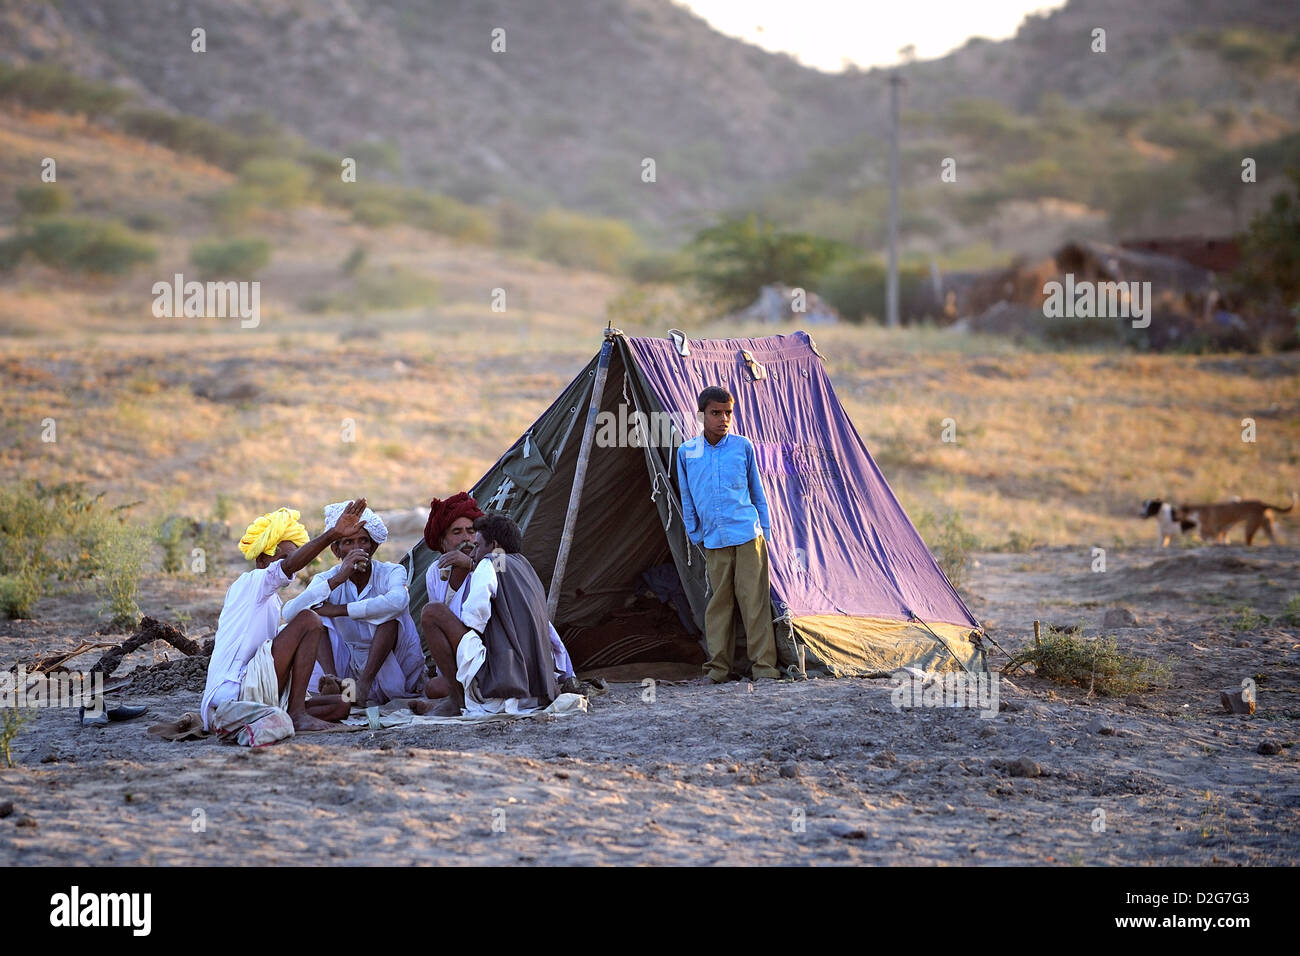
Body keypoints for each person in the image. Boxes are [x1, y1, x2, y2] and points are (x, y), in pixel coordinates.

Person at [200, 504, 360, 733]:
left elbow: (296, 611)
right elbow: (291, 578)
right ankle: (296, 715)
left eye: (294, 556)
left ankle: (290, 712)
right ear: (262, 561)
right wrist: (333, 534)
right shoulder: (251, 582)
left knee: (341, 705)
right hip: (233, 691)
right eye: (284, 557)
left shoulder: (271, 600)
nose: (292, 569)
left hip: (258, 688)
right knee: (310, 620)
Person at [421, 493, 576, 701]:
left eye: (471, 532)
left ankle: (459, 700)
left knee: (432, 613)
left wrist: (470, 565)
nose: (467, 539)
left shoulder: (496, 562)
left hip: (499, 655)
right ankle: (460, 690)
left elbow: (477, 614)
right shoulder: (435, 572)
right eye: (457, 532)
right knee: (434, 687)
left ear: (490, 543)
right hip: (468, 654)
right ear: (443, 541)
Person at [676, 385, 780, 683]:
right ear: (701, 416)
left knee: (754, 602)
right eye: (715, 413)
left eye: (728, 413)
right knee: (718, 604)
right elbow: (687, 496)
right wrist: (696, 534)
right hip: (713, 539)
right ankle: (718, 668)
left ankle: (764, 669)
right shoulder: (687, 452)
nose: (723, 419)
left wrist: (766, 531)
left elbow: (757, 491)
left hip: (748, 535)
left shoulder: (742, 446)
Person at [283, 500, 425, 707]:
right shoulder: (328, 579)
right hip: (348, 667)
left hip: (394, 662)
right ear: (336, 551)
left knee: (390, 616)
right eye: (348, 543)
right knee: (314, 616)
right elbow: (289, 613)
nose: (357, 549)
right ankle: (332, 681)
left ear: (373, 547)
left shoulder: (391, 572)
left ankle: (365, 686)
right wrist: (338, 580)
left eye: (363, 541)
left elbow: (398, 601)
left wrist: (340, 611)